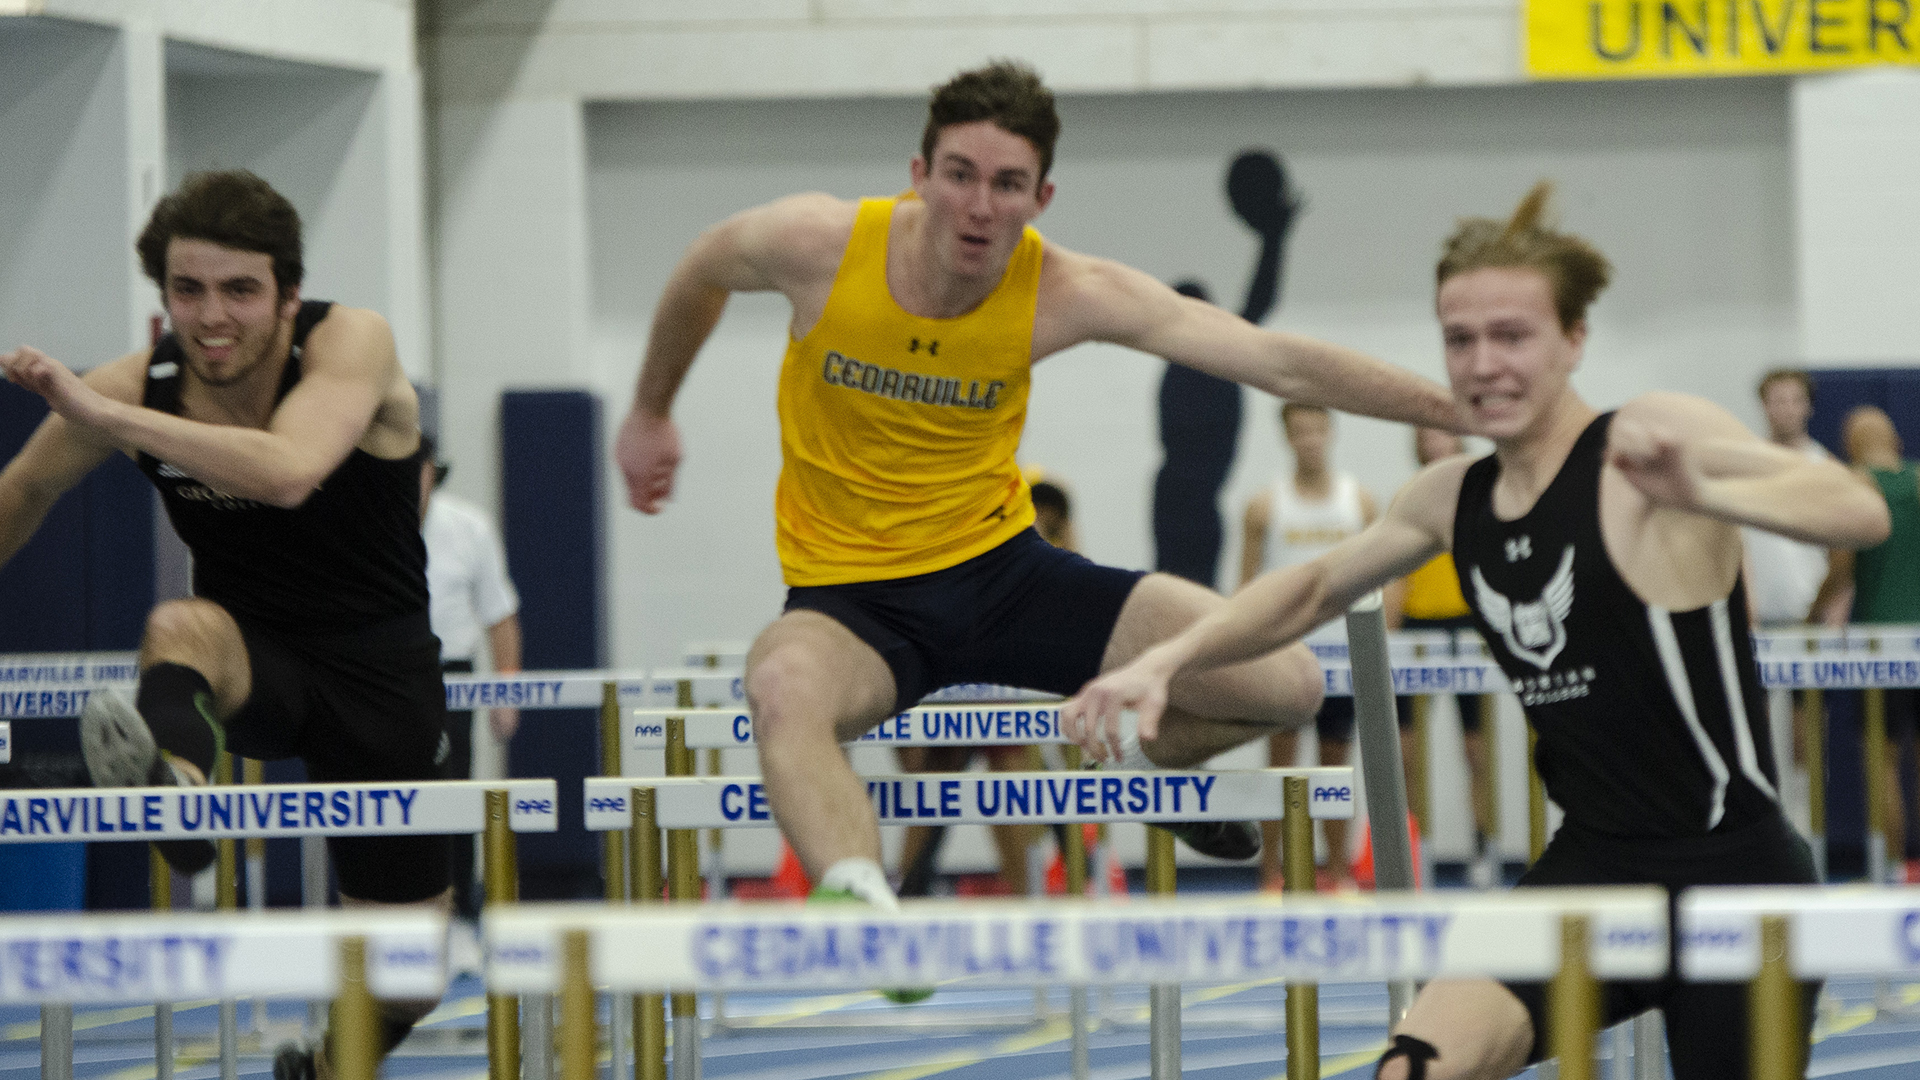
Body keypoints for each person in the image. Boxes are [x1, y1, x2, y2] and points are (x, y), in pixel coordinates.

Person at [1062, 182, 1888, 1080]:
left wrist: (1710, 493)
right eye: (1461, 339)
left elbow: (1856, 510)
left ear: (1574, 341)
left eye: (1512, 336)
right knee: (1414, 1069)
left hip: (1738, 880)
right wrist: (1168, 658)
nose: (1484, 363)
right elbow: (1308, 588)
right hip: (1593, 872)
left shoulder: (1650, 441)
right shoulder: (1451, 500)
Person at [613, 61, 1463, 932]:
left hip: (1005, 575)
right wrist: (650, 409)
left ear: (1041, 197)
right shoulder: (820, 244)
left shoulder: (1065, 291)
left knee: (1285, 684)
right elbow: (701, 268)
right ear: (920, 176)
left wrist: (1453, 406)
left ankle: (1131, 760)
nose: (981, 208)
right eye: (961, 176)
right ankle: (863, 914)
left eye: (1008, 184)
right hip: (853, 600)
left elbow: (1274, 359)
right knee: (781, 685)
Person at [0, 170, 449, 1080]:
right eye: (187, 290)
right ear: (163, 298)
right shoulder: (138, 386)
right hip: (255, 659)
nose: (213, 317)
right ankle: (177, 784)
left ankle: (327, 1065)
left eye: (241, 291)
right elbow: (25, 487)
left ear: (287, 295)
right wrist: (108, 411)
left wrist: (107, 414)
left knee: (409, 978)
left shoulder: (349, 341)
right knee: (181, 624)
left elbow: (290, 471)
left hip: (382, 674)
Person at [1238, 402, 1377, 890]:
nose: (1309, 439)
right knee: (1280, 769)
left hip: (1343, 657)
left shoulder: (1357, 502)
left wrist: (1385, 638)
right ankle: (1270, 876)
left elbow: (1383, 577)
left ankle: (1338, 876)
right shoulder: (1264, 507)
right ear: (1287, 437)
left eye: (1317, 429)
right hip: (1285, 657)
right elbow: (1246, 587)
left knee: (1335, 771)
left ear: (1330, 431)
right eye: (1299, 431)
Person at [1385, 425, 1497, 888]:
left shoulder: (1482, 496)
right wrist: (1388, 636)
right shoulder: (1407, 498)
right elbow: (1392, 570)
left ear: (1457, 442)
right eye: (1427, 437)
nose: (1435, 444)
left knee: (1477, 749)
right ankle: (1418, 846)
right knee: (1407, 751)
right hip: (1417, 625)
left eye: (1443, 436)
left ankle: (1483, 845)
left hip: (1468, 622)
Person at [1811, 405, 1920, 878]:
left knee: (1884, 764)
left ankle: (1893, 873)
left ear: (1849, 447)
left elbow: (1841, 568)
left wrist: (1812, 613)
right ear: (1896, 440)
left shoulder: (1855, 484)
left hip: (1879, 644)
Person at [419, 434, 522, 920]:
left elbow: (499, 616)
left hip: (453, 676)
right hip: (386, 673)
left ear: (432, 473)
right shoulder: (369, 525)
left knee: (456, 792)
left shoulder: (468, 527)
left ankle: (459, 912)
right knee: (384, 796)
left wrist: (506, 692)